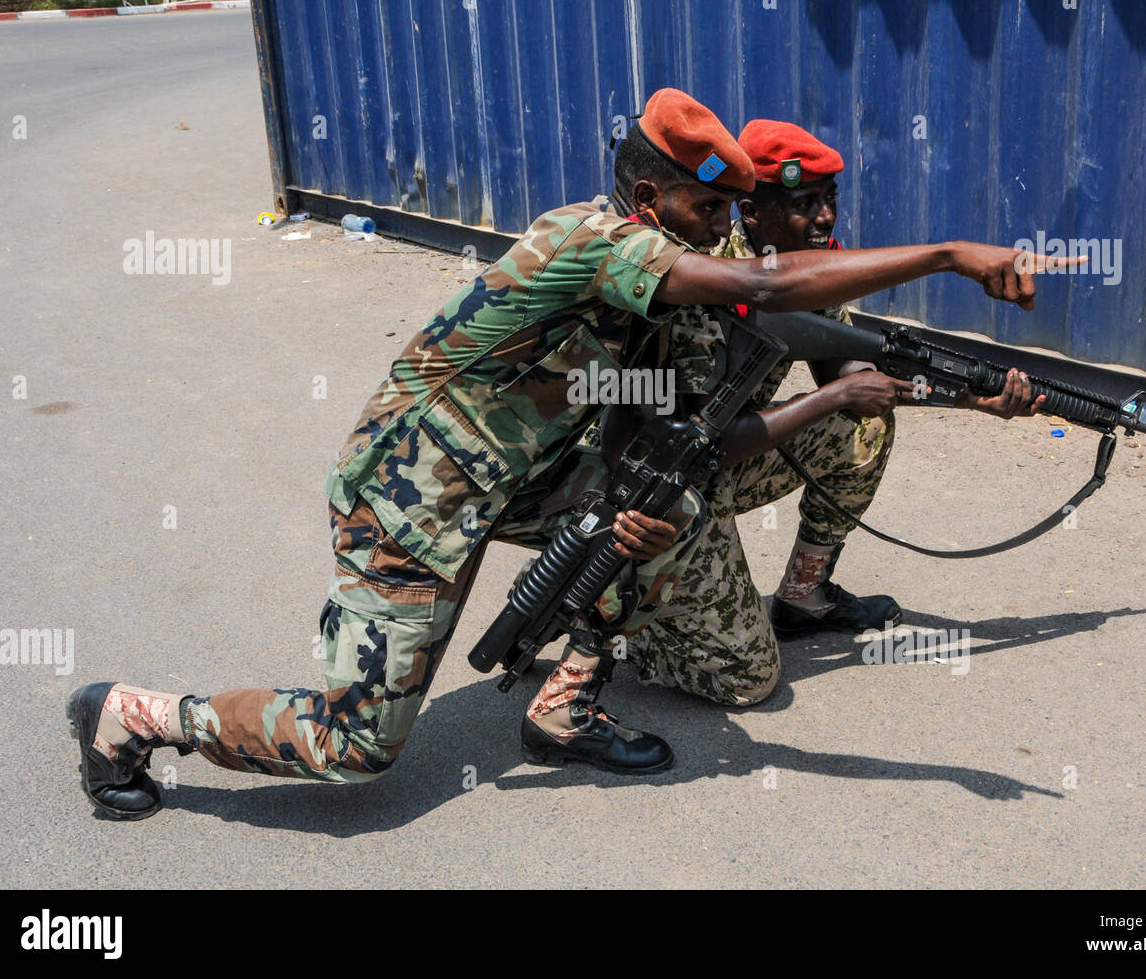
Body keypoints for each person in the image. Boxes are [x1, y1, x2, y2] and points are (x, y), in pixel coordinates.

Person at [67, 89, 1062, 821]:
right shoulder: (588, 242)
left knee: (654, 504)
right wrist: (945, 255)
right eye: (704, 211)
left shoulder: (654, 288)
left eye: (725, 215)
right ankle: (131, 715)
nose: (721, 235)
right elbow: (767, 283)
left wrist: (631, 506)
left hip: (523, 476)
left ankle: (562, 704)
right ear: (646, 196)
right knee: (357, 744)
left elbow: (655, 422)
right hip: (412, 498)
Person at [625, 119, 1046, 707]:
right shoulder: (711, 276)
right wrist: (833, 398)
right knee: (747, 683)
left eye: (830, 200)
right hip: (663, 488)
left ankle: (804, 596)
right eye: (804, 203)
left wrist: (972, 397)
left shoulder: (813, 263)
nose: (825, 218)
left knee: (863, 430)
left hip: (719, 459)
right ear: (749, 213)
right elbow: (703, 442)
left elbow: (850, 375)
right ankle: (625, 619)